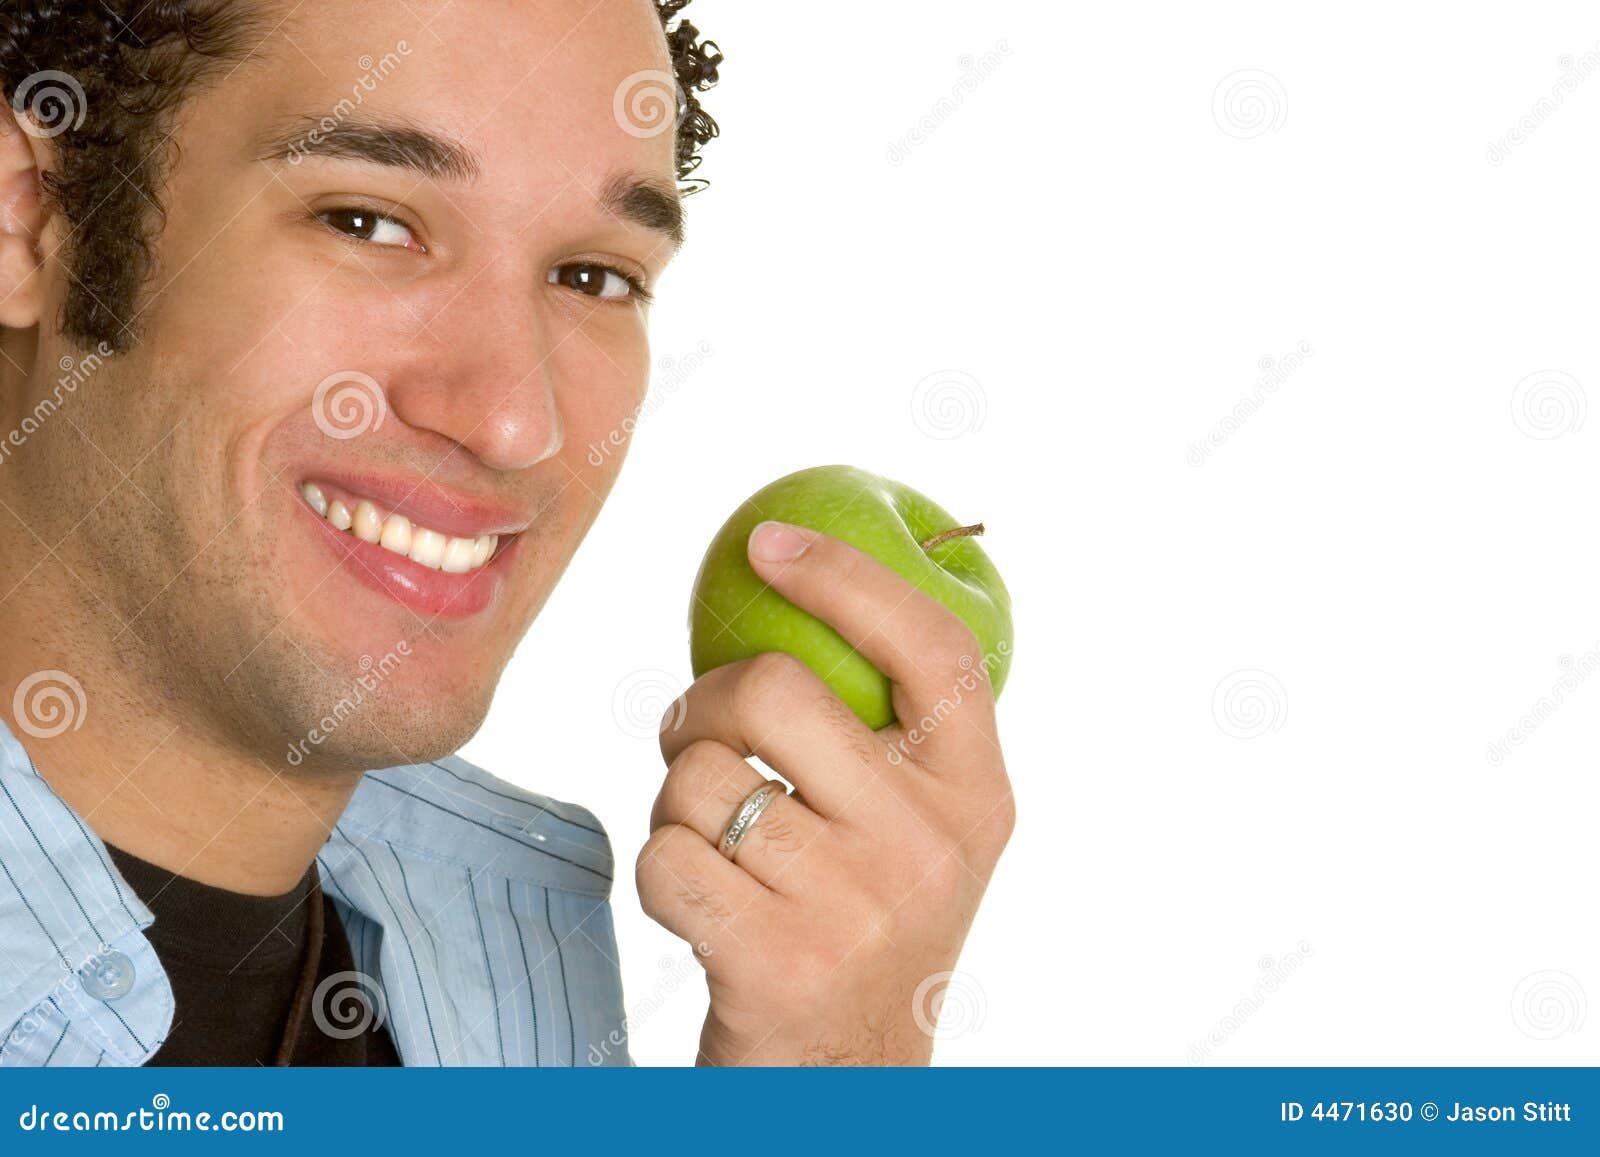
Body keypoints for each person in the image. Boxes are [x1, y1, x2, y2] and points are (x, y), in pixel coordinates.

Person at [0, 0, 1014, 1067]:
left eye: (592, 276)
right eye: (369, 222)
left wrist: (828, 1079)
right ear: (29, 217)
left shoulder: (524, 966)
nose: (516, 423)